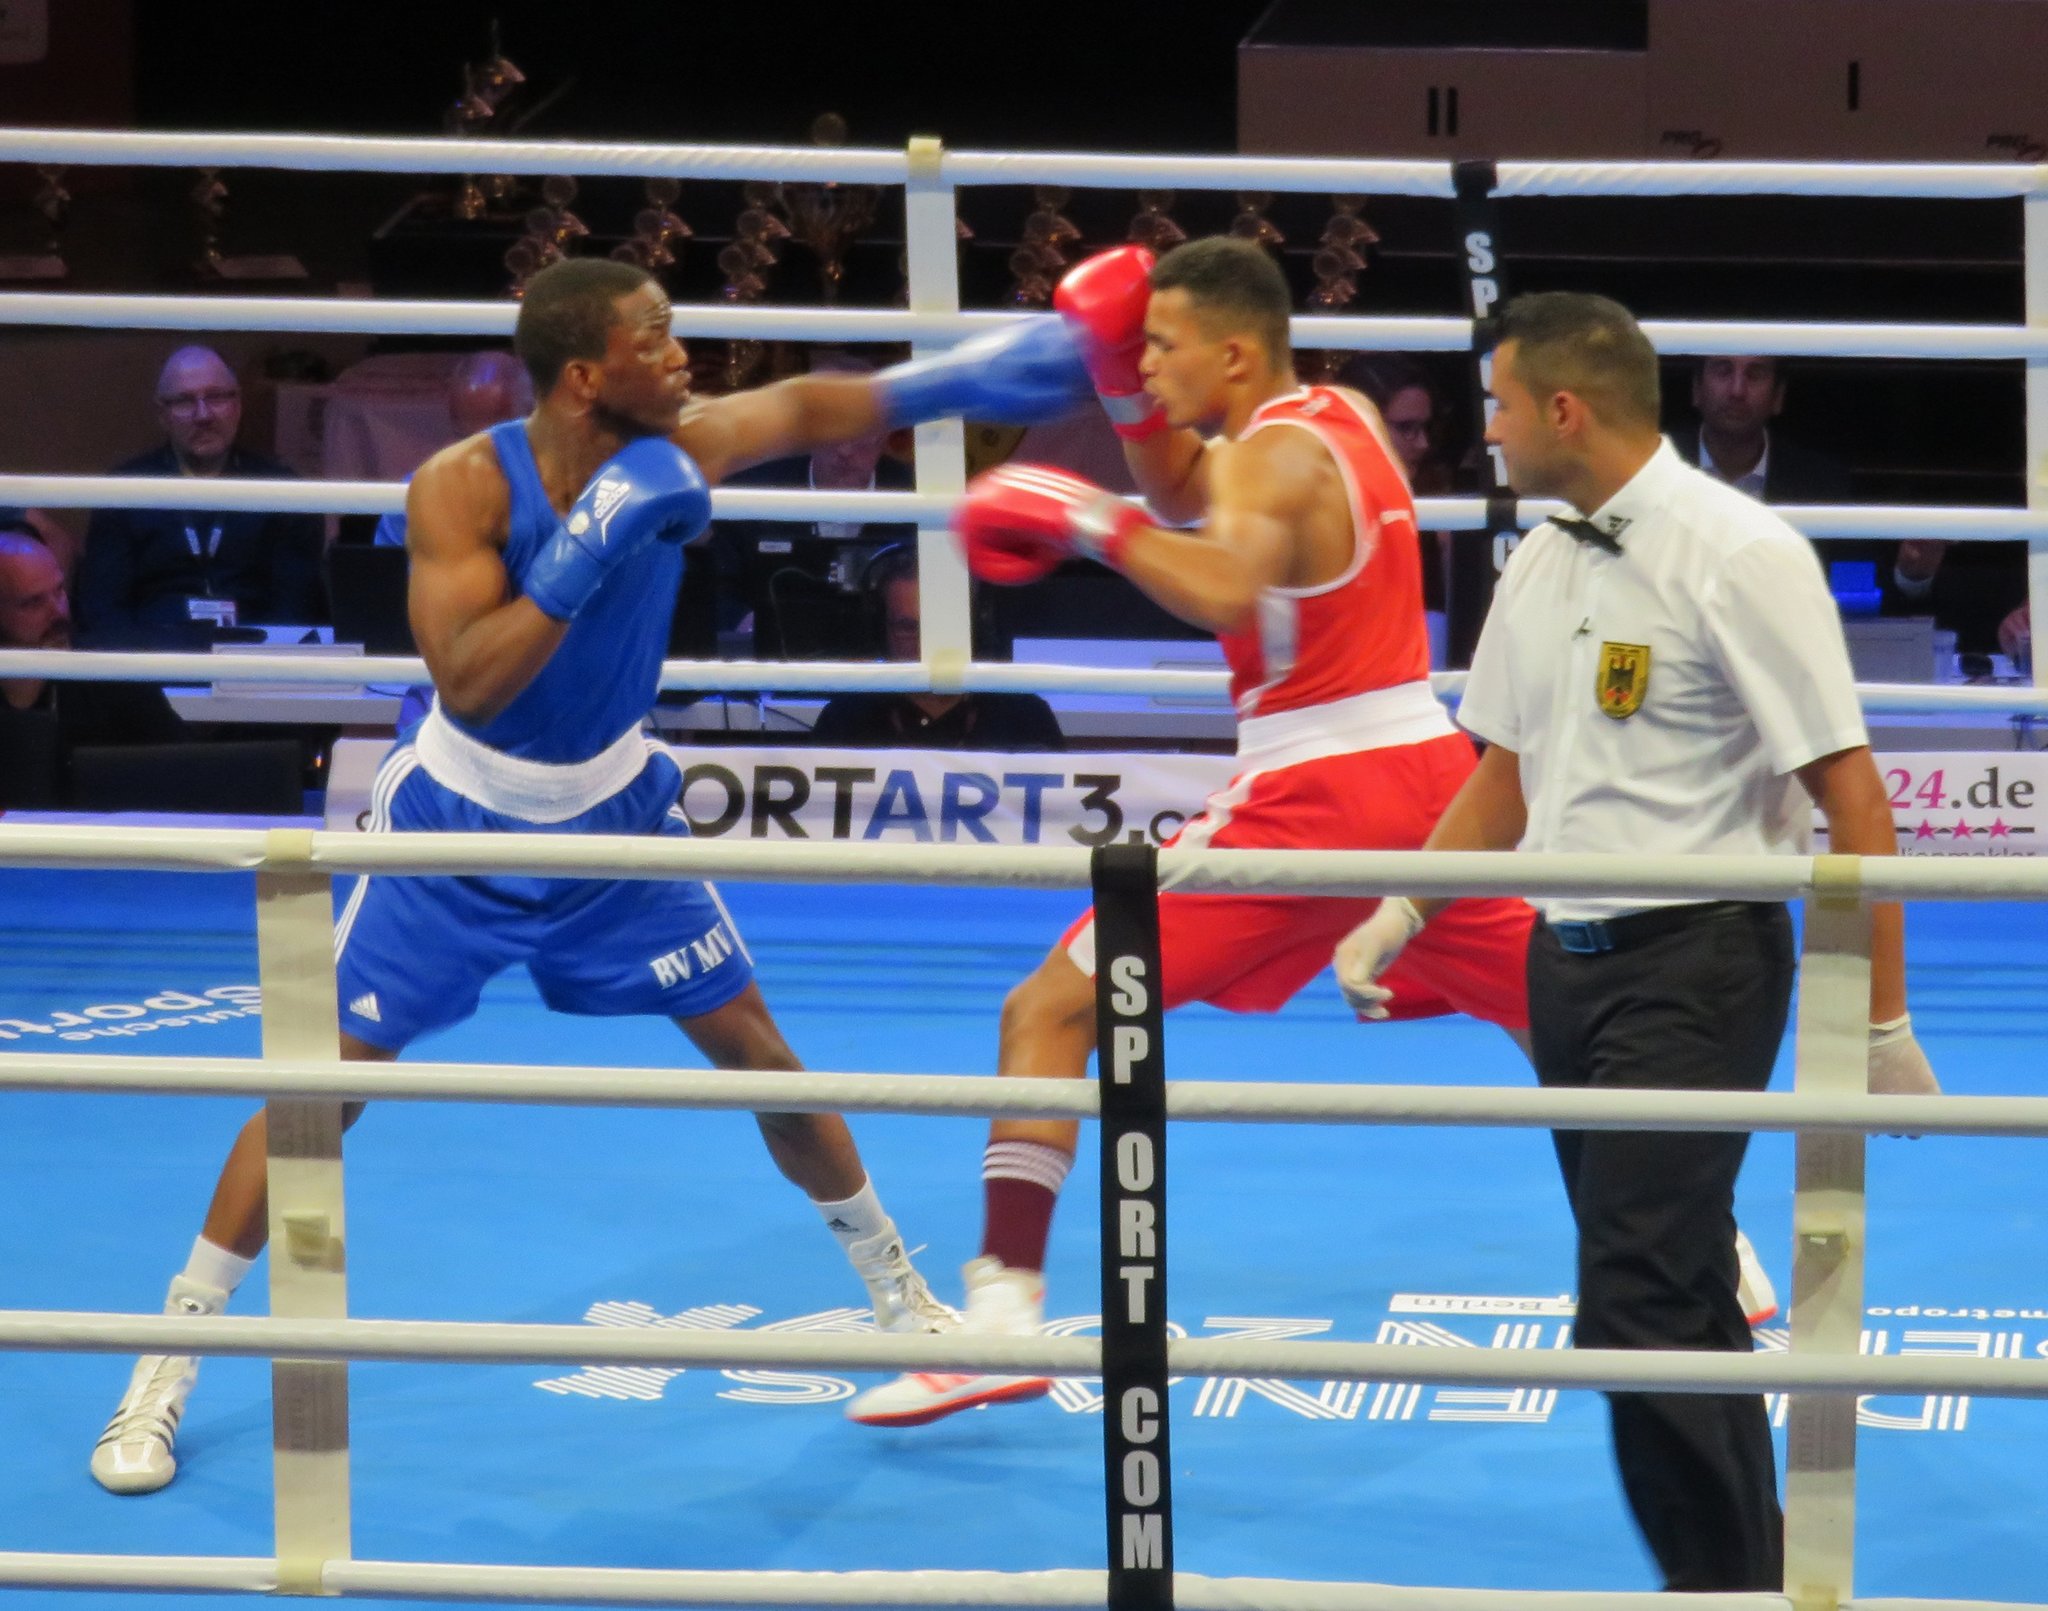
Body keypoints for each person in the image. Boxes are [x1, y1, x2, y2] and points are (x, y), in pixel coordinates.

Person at [90, 254, 1096, 1495]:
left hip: (614, 813)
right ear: (585, 374)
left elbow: (820, 406)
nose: (684, 360)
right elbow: (467, 679)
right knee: (318, 1097)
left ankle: (906, 1306)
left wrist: (981, 374)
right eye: (657, 339)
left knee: (764, 1062)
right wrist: (588, 542)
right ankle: (163, 1368)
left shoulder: (687, 439)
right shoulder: (458, 488)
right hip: (457, 823)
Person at [844, 237, 1541, 1428]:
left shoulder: (1268, 454)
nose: (1143, 363)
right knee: (1558, 1009)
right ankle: (1713, 1262)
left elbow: (1218, 580)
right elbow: (1187, 489)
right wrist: (1123, 397)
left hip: (1309, 801)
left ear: (1231, 349)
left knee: (1048, 1009)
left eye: (1160, 347)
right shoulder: (1338, 416)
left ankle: (999, 1320)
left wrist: (1081, 517)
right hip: (1427, 783)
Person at [1328, 293, 1940, 1591]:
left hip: (1703, 957)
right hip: (1567, 966)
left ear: (1564, 408)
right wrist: (1400, 906)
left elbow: (1854, 791)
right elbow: (1504, 772)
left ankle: (1709, 1585)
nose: (1480, 432)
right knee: (1681, 1299)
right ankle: (1752, 1571)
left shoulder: (1740, 551)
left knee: (1634, 1300)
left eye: (1495, 404)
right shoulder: (1541, 558)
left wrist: (1883, 1020)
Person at [77, 346, 326, 645]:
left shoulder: (281, 490)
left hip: (255, 657)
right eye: (184, 401)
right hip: (154, 657)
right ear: (162, 415)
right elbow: (105, 610)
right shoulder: (126, 490)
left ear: (238, 405)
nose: (203, 415)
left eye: (217, 397)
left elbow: (295, 610)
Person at [0, 531, 188, 809]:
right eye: (33, 602)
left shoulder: (110, 675)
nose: (59, 612)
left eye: (59, 591)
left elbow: (188, 769)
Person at [809, 546, 1064, 750]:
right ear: (882, 631)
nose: (926, 644)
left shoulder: (1027, 719)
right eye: (908, 628)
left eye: (941, 626)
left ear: (975, 627)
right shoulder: (845, 721)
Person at [371, 351, 535, 548]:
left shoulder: (564, 489)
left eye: (495, 439)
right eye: (465, 438)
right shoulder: (422, 490)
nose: (477, 453)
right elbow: (388, 571)